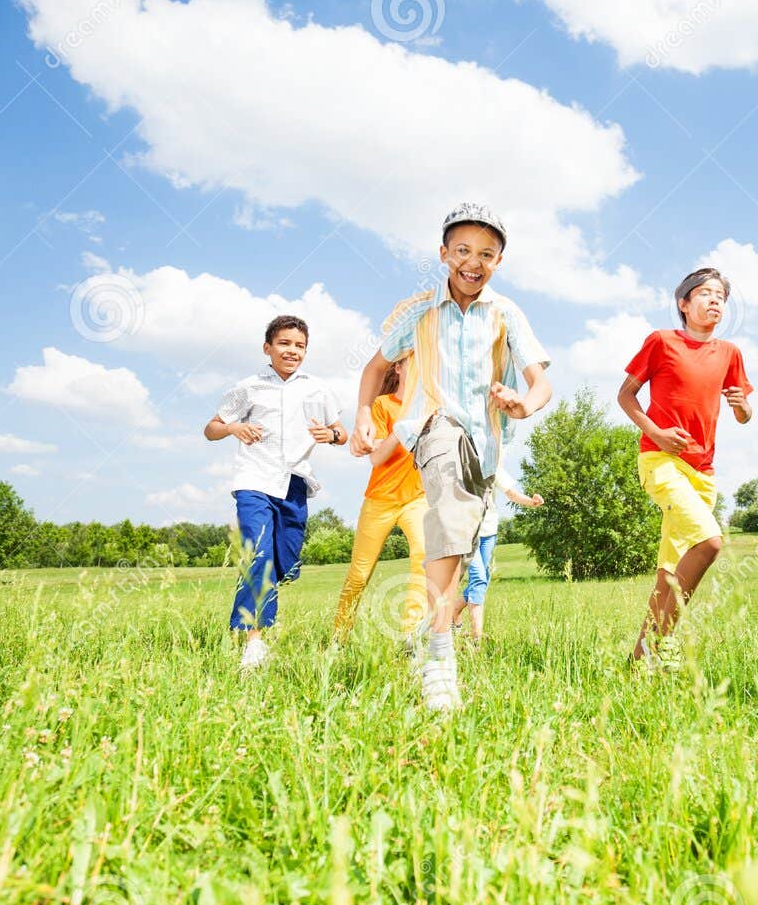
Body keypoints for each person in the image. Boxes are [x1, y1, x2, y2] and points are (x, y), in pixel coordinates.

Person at [350, 203, 552, 711]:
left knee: (459, 541)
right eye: (463, 250)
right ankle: (441, 655)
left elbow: (540, 382)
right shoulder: (419, 310)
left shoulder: (506, 314)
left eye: (486, 254)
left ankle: (427, 631)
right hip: (433, 426)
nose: (473, 262)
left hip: (485, 444)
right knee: (446, 512)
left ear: (498, 261)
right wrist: (362, 416)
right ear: (444, 254)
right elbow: (374, 368)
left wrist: (523, 404)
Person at [618, 267, 753, 662]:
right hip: (660, 459)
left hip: (703, 474)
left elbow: (744, 414)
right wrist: (657, 433)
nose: (715, 301)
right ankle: (663, 643)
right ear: (684, 303)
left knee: (670, 571)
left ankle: (640, 660)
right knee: (709, 542)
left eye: (721, 297)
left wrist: (743, 407)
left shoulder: (730, 353)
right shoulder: (662, 342)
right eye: (706, 293)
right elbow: (625, 395)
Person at [205, 314, 346, 670]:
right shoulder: (249, 387)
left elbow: (341, 432)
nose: (292, 351)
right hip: (253, 480)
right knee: (258, 557)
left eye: (300, 346)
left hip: (295, 483)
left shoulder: (317, 389)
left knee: (283, 563)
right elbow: (211, 428)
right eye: (284, 343)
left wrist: (331, 436)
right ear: (267, 348)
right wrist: (233, 428)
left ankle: (264, 596)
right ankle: (254, 642)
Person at [333, 355, 428, 641]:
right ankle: (339, 636)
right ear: (397, 368)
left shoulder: (428, 408)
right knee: (360, 574)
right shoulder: (382, 405)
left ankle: (410, 635)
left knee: (423, 558)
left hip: (417, 498)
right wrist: (404, 429)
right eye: (413, 364)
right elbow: (376, 457)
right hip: (380, 500)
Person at [452, 467, 543, 642]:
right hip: (466, 532)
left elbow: (512, 494)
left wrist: (532, 502)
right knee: (478, 578)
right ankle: (476, 639)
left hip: (489, 532)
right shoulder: (459, 465)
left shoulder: (491, 467)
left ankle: (454, 610)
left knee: (482, 580)